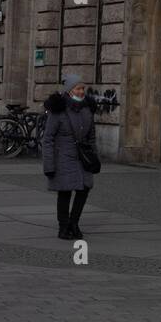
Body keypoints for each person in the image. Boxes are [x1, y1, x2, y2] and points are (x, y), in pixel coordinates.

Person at [42, 73, 99, 240]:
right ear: (69, 90)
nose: (81, 91)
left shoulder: (88, 109)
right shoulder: (58, 110)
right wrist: (49, 165)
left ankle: (74, 223)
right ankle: (63, 227)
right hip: (63, 158)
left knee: (84, 189)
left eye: (83, 88)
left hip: (82, 157)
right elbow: (48, 138)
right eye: (78, 88)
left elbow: (92, 136)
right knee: (65, 192)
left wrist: (94, 158)